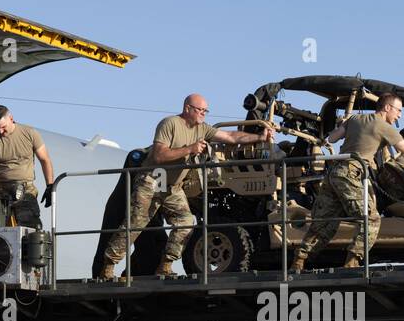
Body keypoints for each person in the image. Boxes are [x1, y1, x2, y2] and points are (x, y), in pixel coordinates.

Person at [95, 94, 272, 280]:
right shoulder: (169, 124)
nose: (203, 114)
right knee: (135, 224)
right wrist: (189, 149)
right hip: (154, 179)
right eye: (200, 110)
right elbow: (158, 156)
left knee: (186, 221)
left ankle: (166, 265)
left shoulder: (202, 128)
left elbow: (230, 136)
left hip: (173, 185)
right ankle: (108, 266)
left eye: (205, 111)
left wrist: (259, 137)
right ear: (187, 108)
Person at [290, 94, 404, 272]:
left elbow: (333, 139)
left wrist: (345, 126)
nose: (399, 116)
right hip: (352, 173)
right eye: (398, 111)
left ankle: (299, 261)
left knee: (325, 222)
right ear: (387, 108)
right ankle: (352, 261)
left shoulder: (355, 118)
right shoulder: (384, 127)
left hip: (334, 173)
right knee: (371, 220)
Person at [0, 106, 54, 228]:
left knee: (30, 230)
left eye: (3, 127)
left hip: (25, 190)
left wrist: (50, 186)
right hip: (0, 191)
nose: (0, 131)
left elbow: (45, 159)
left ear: (11, 118)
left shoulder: (30, 133)